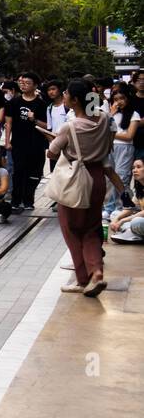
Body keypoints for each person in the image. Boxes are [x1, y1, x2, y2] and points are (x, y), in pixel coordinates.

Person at [47, 79, 115, 296]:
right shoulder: (103, 118)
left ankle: (82, 279)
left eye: (66, 93)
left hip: (76, 179)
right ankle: (97, 273)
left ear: (75, 100)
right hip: (97, 177)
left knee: (72, 230)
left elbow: (52, 152)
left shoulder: (70, 126)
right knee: (92, 229)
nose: (64, 95)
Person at [2, 72, 49, 211]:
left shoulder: (41, 104)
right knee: (18, 171)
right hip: (18, 142)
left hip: (36, 143)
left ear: (35, 85)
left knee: (34, 172)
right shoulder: (13, 102)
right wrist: (7, 141)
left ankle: (29, 200)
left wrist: (34, 119)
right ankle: (16, 200)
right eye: (22, 83)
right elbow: (8, 123)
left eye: (28, 83)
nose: (24, 85)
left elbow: (47, 126)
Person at [107, 89, 140, 217]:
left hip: (125, 148)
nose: (119, 102)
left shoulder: (134, 114)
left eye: (121, 98)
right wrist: (111, 114)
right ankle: (109, 207)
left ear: (127, 99)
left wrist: (112, 134)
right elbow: (102, 128)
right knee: (109, 178)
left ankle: (122, 206)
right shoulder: (111, 114)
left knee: (122, 178)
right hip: (110, 147)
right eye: (115, 99)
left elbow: (129, 136)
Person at [107, 158, 144, 244]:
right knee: (114, 214)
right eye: (133, 168)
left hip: (140, 221)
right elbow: (129, 208)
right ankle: (133, 233)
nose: (135, 170)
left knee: (136, 222)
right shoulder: (140, 189)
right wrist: (116, 220)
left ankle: (132, 232)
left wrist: (122, 221)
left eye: (138, 167)